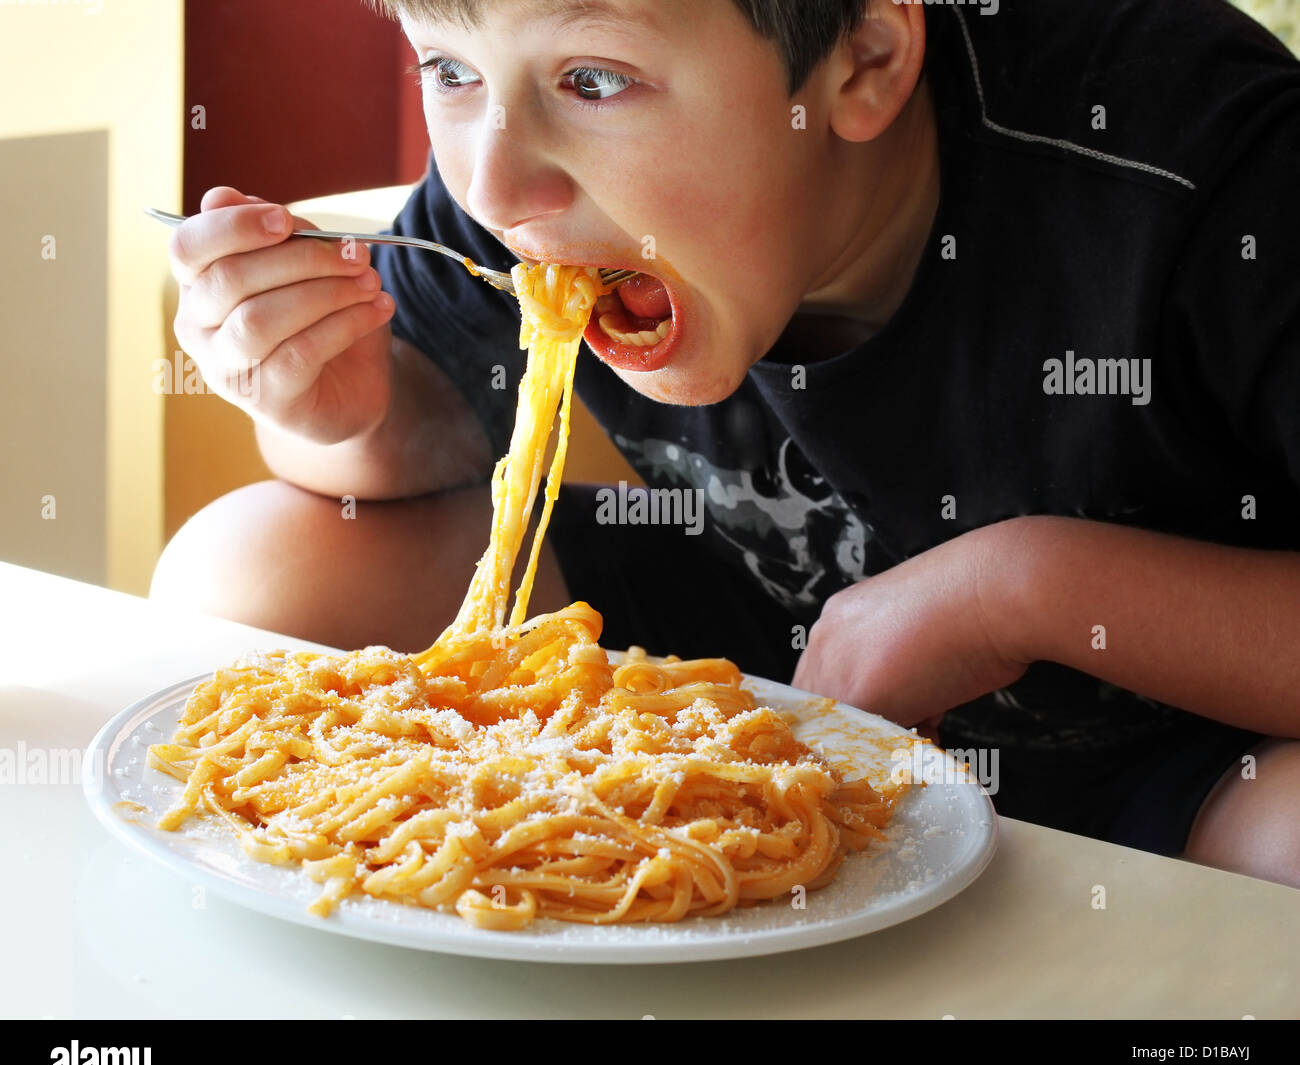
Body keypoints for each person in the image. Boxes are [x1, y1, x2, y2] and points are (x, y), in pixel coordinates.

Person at [152, 0, 1300, 886]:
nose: (497, 184)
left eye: (594, 79)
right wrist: (333, 408)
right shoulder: (525, 190)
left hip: (1190, 748)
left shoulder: (1213, 175)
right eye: (448, 68)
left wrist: (1021, 592)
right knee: (257, 562)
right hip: (748, 674)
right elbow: (424, 429)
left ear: (862, 56)